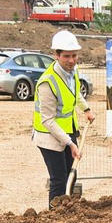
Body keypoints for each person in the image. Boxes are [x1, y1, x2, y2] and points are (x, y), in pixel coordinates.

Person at [32, 30, 95, 209]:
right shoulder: (47, 82)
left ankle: (67, 212)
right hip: (48, 137)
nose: (71, 60)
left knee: (71, 175)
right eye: (66, 56)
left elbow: (75, 94)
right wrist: (70, 143)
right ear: (56, 55)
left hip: (67, 131)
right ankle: (54, 216)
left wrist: (87, 109)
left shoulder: (72, 72)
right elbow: (48, 120)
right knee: (59, 180)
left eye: (74, 56)